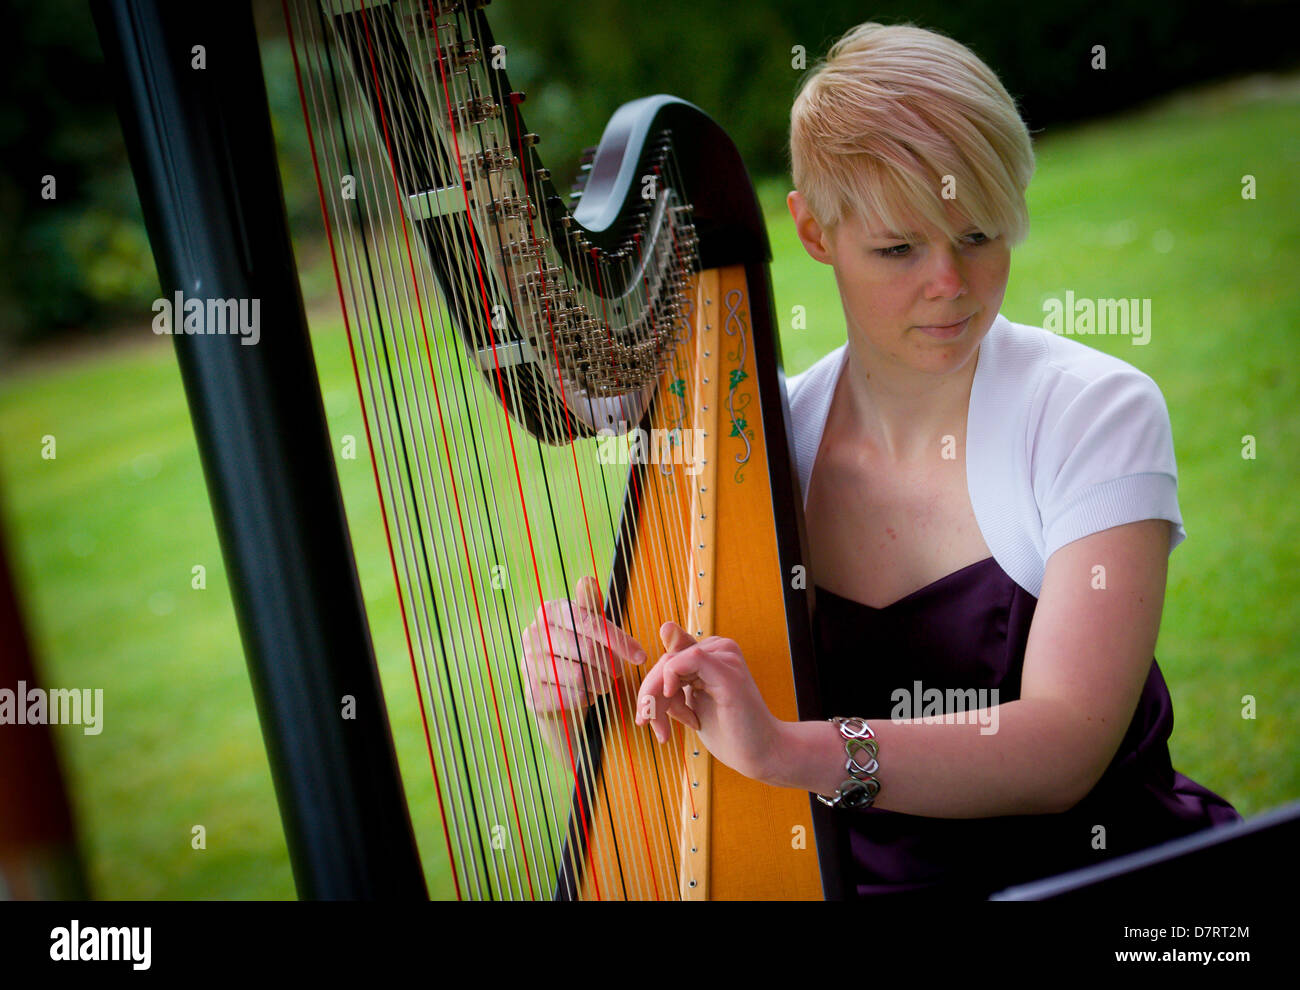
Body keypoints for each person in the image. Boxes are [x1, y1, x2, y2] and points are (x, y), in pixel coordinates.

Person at [519, 21, 1240, 898]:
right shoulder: (753, 452)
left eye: (978, 235)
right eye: (899, 248)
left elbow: (1063, 749)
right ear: (815, 232)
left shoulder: (1091, 412)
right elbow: (687, 795)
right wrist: (585, 706)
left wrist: (798, 751)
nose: (950, 283)